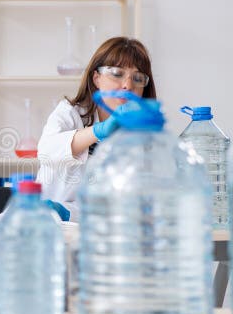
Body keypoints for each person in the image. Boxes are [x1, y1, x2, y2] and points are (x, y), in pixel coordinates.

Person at [36, 37, 157, 221]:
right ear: (96, 78)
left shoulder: (142, 135)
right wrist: (98, 131)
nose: (128, 85)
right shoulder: (70, 113)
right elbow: (46, 150)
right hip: (46, 225)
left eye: (137, 78)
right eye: (117, 73)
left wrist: (70, 212)